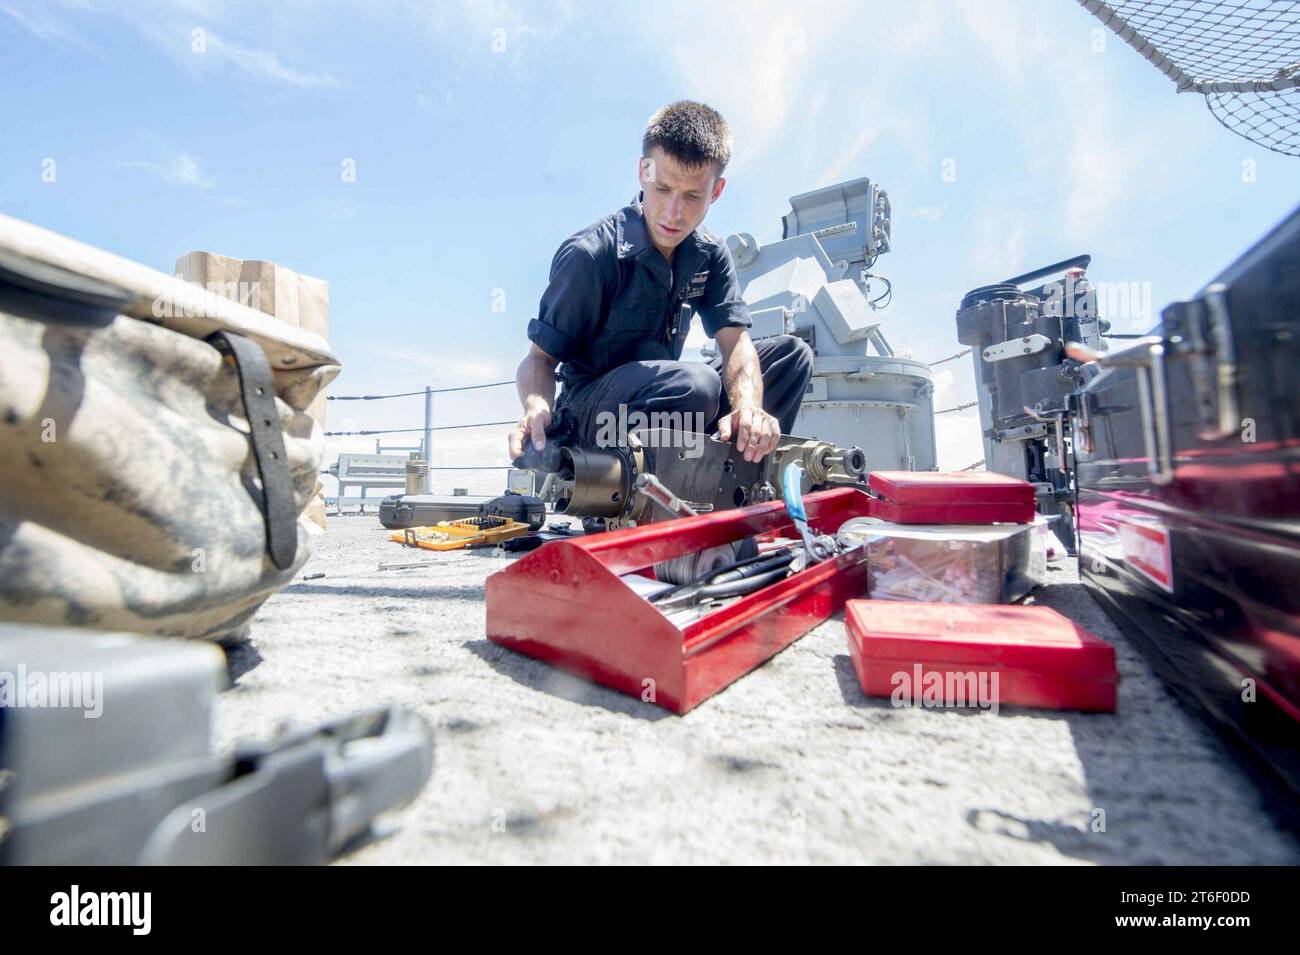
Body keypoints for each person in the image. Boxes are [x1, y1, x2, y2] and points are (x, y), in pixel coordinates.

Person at [508, 99, 813, 471]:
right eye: (663, 188)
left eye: (692, 196)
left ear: (716, 191)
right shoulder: (590, 255)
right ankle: (642, 486)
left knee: (791, 356)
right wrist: (537, 407)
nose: (673, 213)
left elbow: (736, 344)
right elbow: (540, 358)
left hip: (667, 402)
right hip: (591, 416)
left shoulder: (708, 253)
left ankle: (740, 473)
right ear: (643, 172)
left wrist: (749, 406)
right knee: (698, 385)